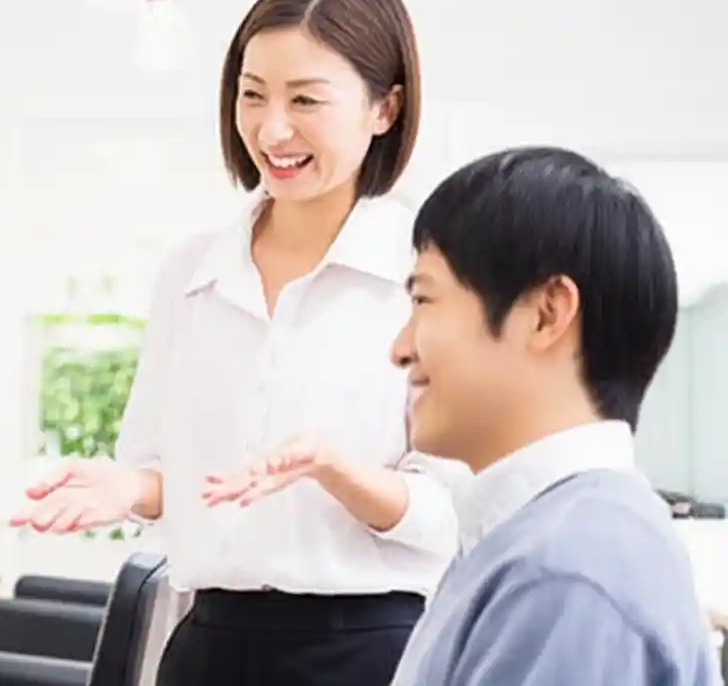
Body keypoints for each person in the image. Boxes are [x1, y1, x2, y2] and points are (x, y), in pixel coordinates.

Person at [10, 0, 466, 684]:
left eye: (306, 99)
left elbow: (451, 511)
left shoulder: (427, 276)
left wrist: (334, 470)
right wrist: (129, 489)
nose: (270, 128)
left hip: (369, 651)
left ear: (385, 107)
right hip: (208, 647)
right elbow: (173, 471)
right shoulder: (193, 272)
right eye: (252, 95)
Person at [222, 146, 718, 684]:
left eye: (425, 301)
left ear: (546, 315)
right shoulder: (535, 540)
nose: (400, 347)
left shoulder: (567, 572)